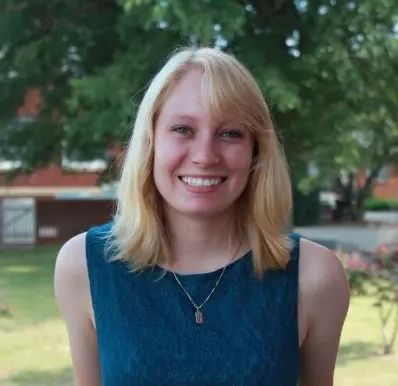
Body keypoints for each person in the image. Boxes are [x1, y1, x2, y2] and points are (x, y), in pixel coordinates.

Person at [54, 46, 350, 386]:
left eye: (230, 133)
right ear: (151, 141)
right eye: (182, 129)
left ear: (256, 152)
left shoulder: (315, 277)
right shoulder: (83, 266)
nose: (205, 156)